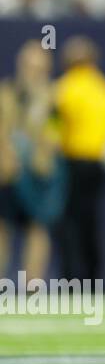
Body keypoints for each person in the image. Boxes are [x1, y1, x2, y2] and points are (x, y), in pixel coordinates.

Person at [53, 36, 105, 282]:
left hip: (71, 162)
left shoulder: (65, 89)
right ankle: (95, 279)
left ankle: (73, 280)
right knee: (91, 220)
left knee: (69, 224)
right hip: (98, 163)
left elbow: (54, 128)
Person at [0, 41, 66, 282]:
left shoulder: (52, 96)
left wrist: (43, 154)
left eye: (38, 67)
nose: (32, 71)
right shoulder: (5, 92)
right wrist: (6, 154)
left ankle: (32, 286)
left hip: (37, 173)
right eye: (28, 65)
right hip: (7, 171)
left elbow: (55, 131)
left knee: (37, 228)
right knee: (2, 227)